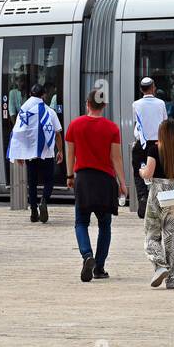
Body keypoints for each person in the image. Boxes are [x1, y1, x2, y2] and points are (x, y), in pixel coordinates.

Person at [65, 90, 126, 283]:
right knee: (104, 225)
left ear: (87, 104)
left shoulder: (75, 125)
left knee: (81, 222)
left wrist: (69, 176)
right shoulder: (112, 128)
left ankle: (86, 255)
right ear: (104, 106)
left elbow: (70, 154)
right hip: (105, 181)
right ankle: (99, 267)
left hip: (83, 178)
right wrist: (123, 183)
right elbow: (116, 158)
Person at [141, 118, 174, 289]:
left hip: (158, 190)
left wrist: (141, 171)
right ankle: (172, 278)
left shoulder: (154, 149)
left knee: (152, 233)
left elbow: (148, 173)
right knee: (173, 237)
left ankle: (159, 265)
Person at [7, 84, 63, 223]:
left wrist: (19, 153)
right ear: (43, 95)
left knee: (31, 183)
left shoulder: (25, 113)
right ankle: (43, 201)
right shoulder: (50, 112)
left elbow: (18, 133)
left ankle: (33, 211)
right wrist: (60, 151)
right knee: (48, 180)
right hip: (47, 153)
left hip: (31, 155)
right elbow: (57, 134)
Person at [131, 77, 168, 218]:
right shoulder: (161, 103)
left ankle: (142, 197)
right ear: (153, 88)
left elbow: (137, 125)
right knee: (160, 172)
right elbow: (165, 123)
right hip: (158, 144)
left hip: (142, 144)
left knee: (137, 170)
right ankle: (160, 202)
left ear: (141, 90)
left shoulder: (136, 104)